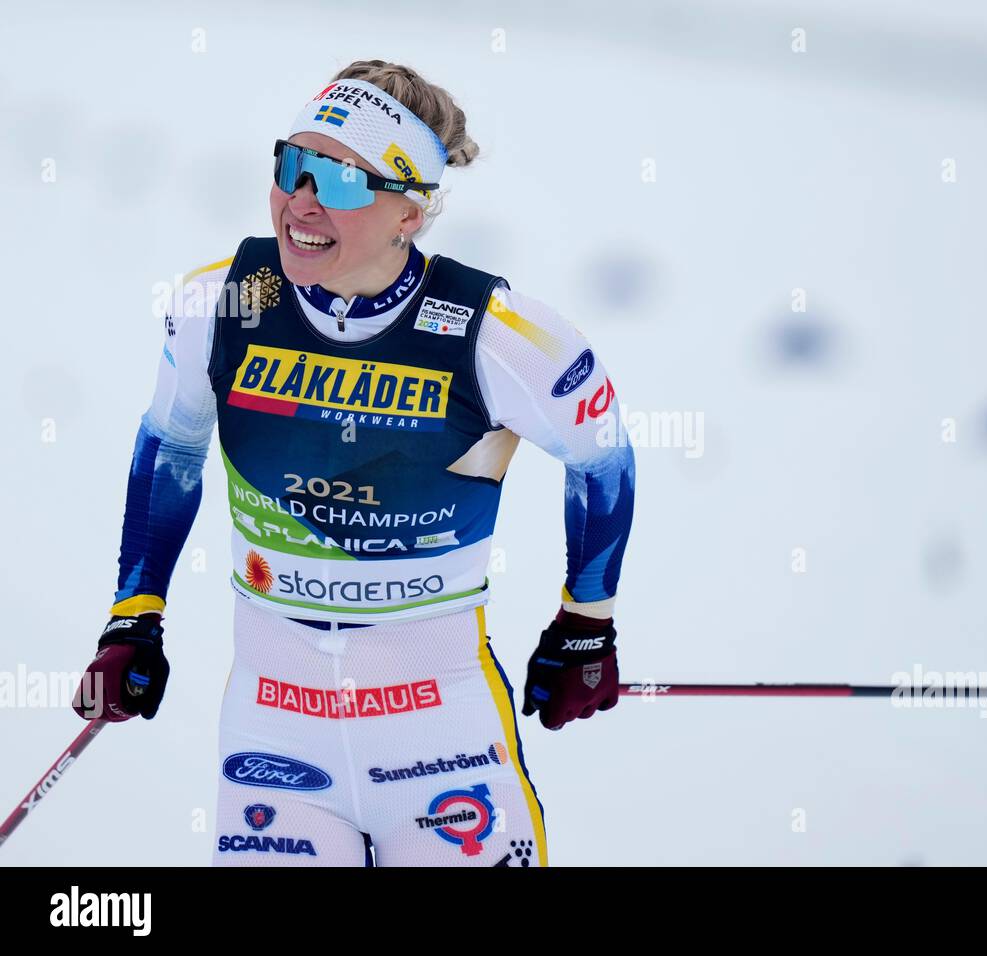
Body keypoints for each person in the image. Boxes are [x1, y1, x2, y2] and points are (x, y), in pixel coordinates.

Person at [72, 60, 635, 867]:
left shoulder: (502, 336)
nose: (300, 200)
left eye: (339, 179)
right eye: (290, 166)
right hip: (274, 728)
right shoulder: (220, 304)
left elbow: (602, 455)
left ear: (411, 210)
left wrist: (588, 625)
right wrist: (135, 614)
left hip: (445, 737)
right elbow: (173, 446)